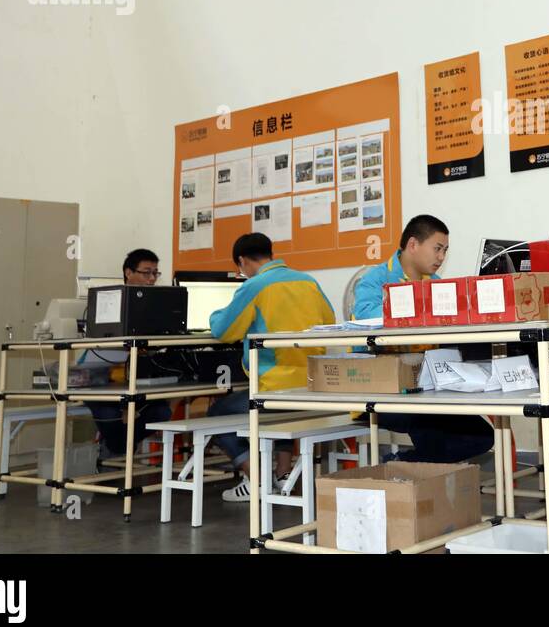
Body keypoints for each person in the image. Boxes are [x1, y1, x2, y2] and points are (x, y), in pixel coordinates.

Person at [352, 215, 494, 463]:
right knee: (442, 433)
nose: (441, 257)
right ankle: (407, 470)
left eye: (445, 251)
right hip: (386, 392)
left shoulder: (437, 284)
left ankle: (404, 464)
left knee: (482, 436)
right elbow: (365, 318)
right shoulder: (375, 280)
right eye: (437, 249)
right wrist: (417, 309)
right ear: (413, 245)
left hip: (428, 388)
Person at [207, 233, 335, 502]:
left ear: (242, 261)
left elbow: (223, 330)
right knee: (282, 405)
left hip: (273, 392)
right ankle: (282, 472)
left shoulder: (254, 286)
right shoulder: (309, 282)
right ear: (270, 254)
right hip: (312, 387)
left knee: (217, 413)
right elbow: (329, 320)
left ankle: (256, 477)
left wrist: (213, 314)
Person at [82, 249, 173, 460]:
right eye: (146, 272)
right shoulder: (109, 303)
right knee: (108, 414)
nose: (151, 279)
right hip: (100, 379)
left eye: (155, 274)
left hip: (136, 380)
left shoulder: (157, 306)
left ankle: (114, 446)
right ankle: (118, 447)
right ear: (128, 272)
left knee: (162, 412)